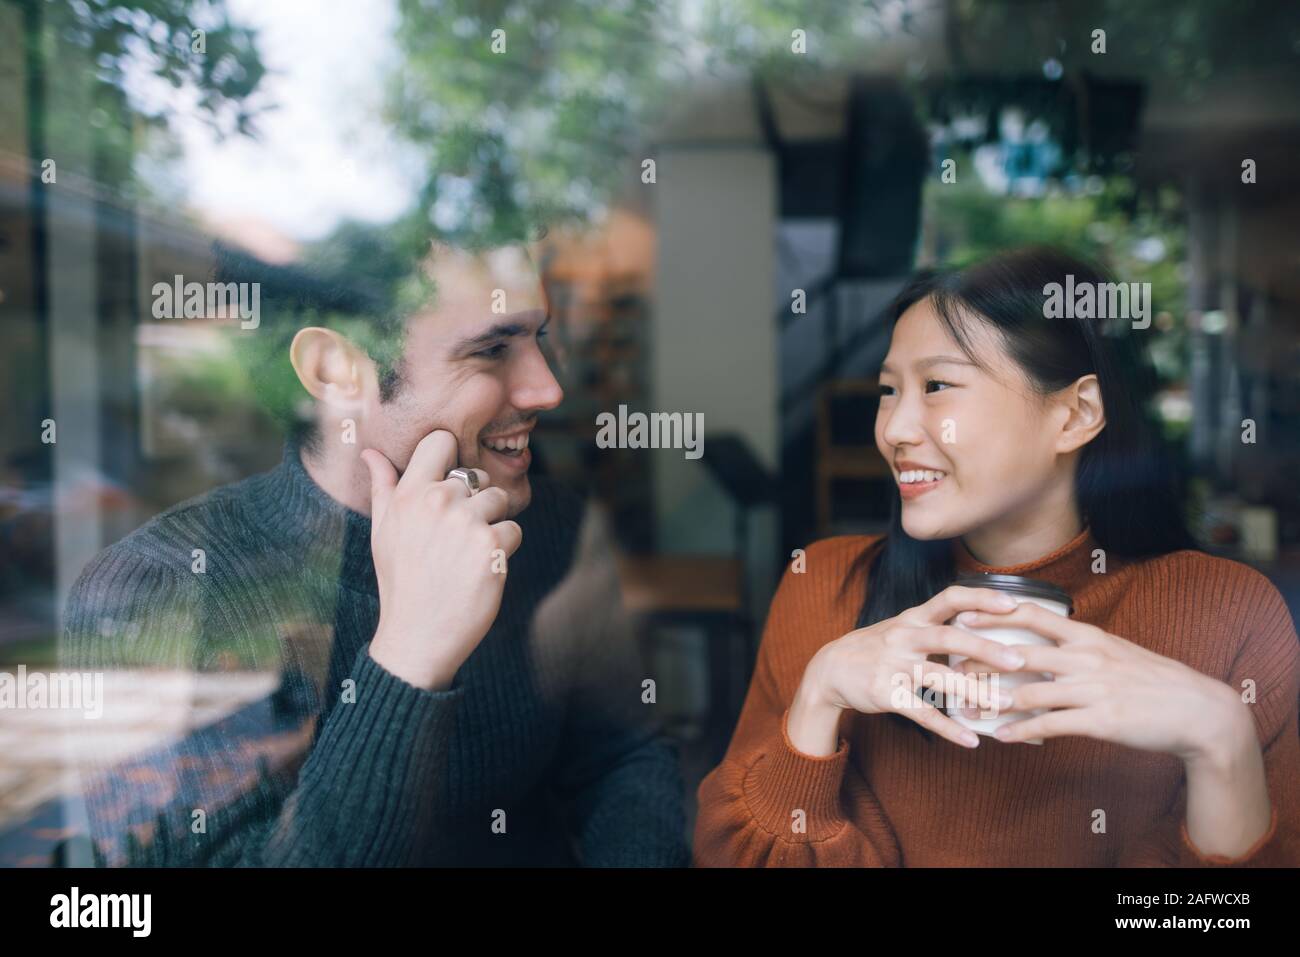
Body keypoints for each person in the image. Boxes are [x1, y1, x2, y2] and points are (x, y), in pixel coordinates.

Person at [61, 236, 688, 866]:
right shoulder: (155, 588)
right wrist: (409, 656)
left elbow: (622, 755)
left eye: (538, 338)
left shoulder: (551, 527)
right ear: (336, 370)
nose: (547, 389)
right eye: (493, 349)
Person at [694, 246, 1299, 867]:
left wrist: (1222, 741)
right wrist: (817, 700)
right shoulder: (824, 586)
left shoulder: (1229, 616)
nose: (895, 429)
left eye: (937, 386)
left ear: (1075, 414)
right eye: (887, 390)